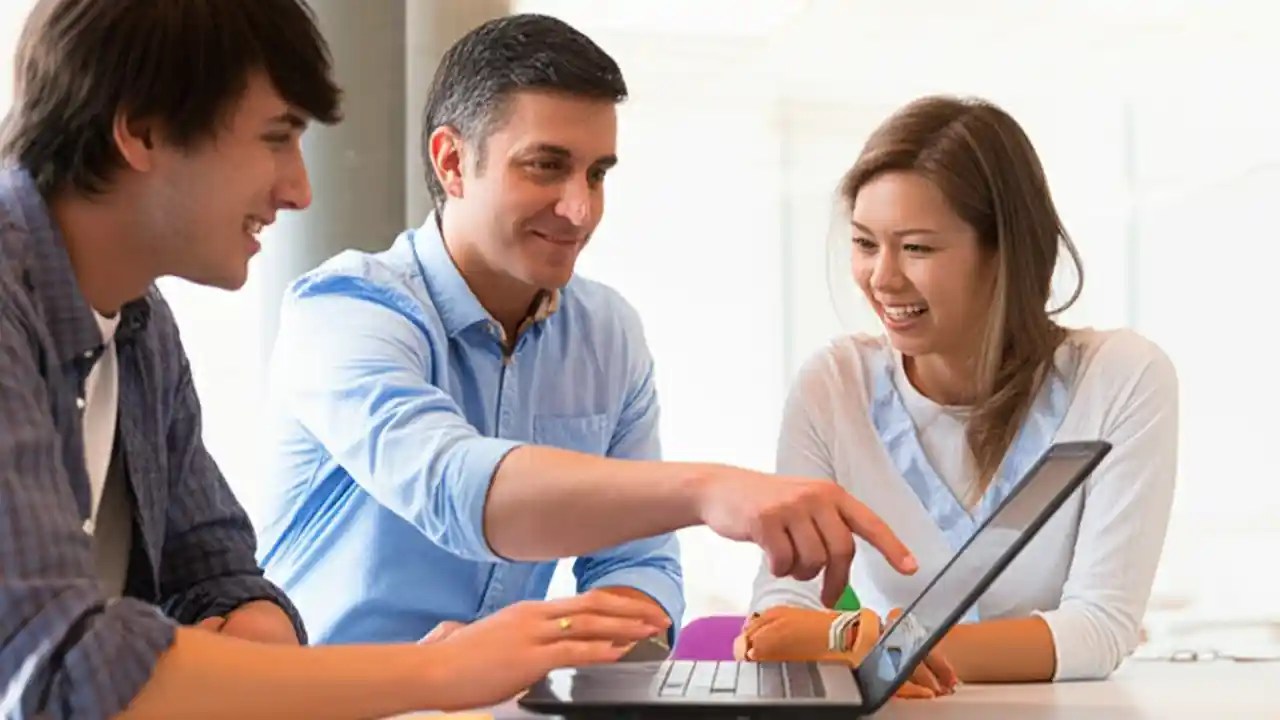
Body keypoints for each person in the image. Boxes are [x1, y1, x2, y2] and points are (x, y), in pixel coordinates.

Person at [0, 2, 678, 718]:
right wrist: (446, 672)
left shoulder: (140, 326)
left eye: (597, 173)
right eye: (275, 138)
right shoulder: (346, 305)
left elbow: (217, 570)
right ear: (141, 130)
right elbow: (60, 665)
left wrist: (255, 618)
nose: (299, 189)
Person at [254, 12, 917, 650]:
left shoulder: (605, 331)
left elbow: (639, 564)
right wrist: (710, 489)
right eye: (546, 165)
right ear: (452, 163)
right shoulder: (344, 310)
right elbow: (457, 488)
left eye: (597, 173)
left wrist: (572, 650)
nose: (581, 208)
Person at [740, 96, 1178, 696]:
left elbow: (1098, 629)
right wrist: (861, 642)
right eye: (866, 243)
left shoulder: (1121, 379)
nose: (883, 278)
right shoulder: (833, 386)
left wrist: (879, 647)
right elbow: (778, 619)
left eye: (917, 248)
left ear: (1003, 252)